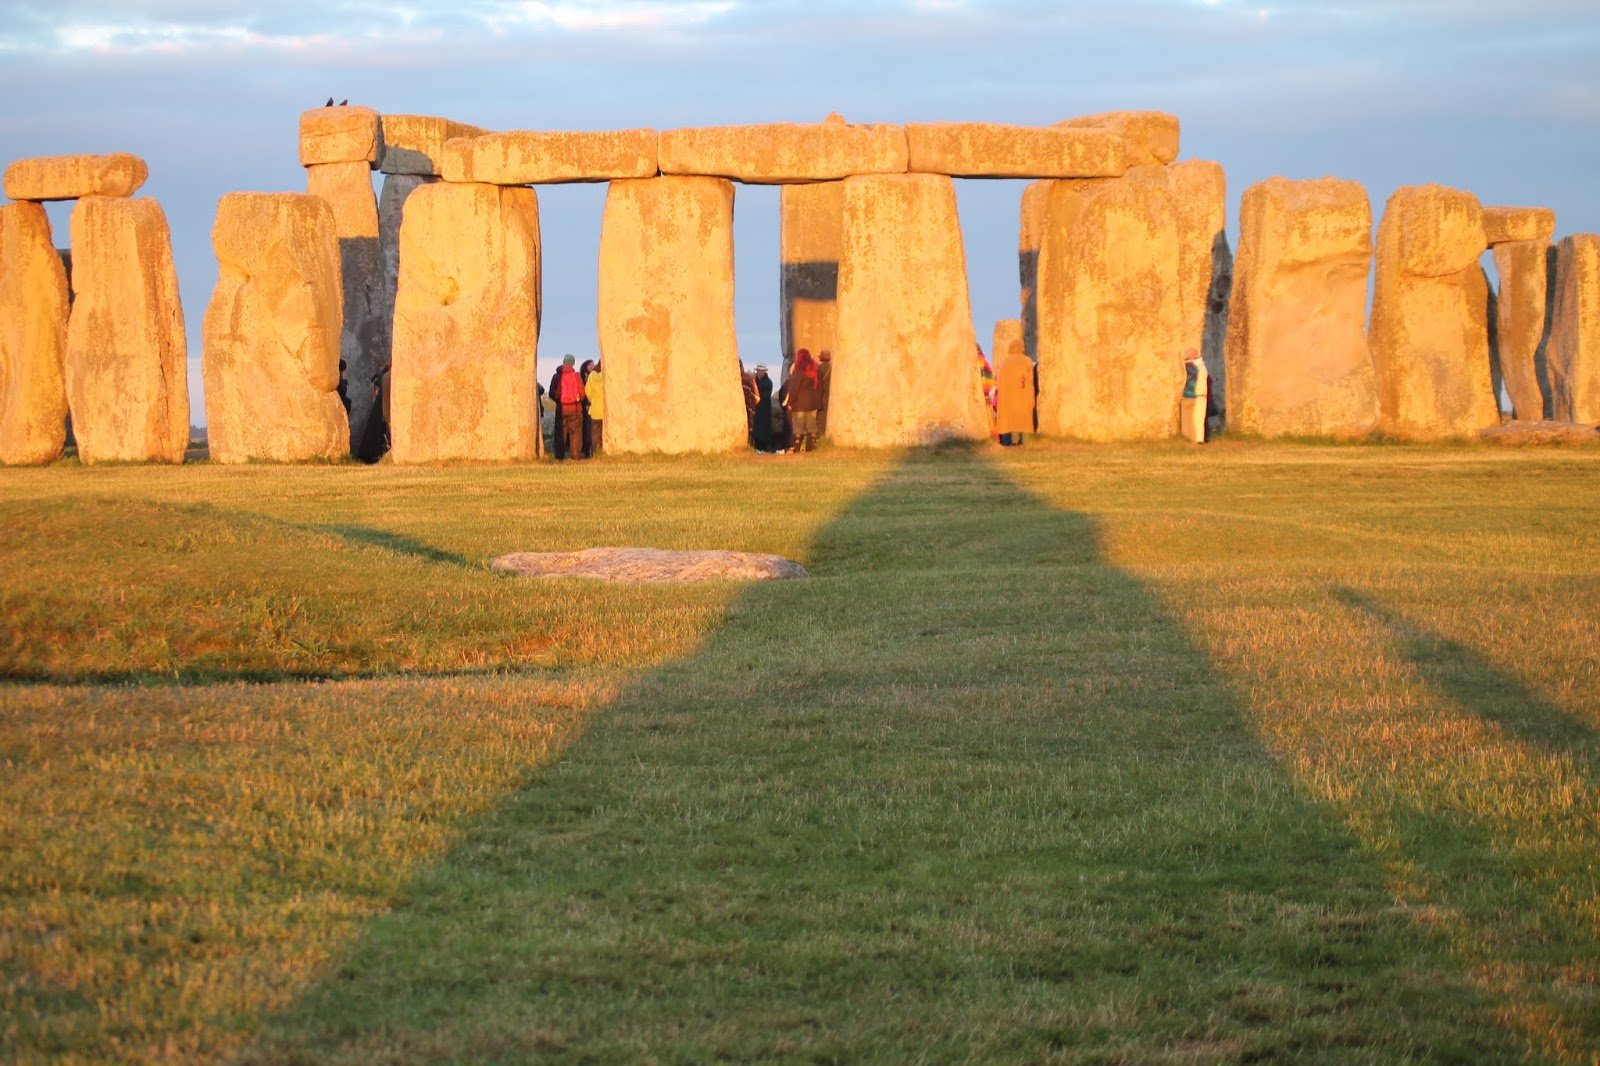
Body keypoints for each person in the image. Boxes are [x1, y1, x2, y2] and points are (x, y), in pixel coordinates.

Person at [995, 338, 1036, 446]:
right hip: (1023, 396)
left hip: (1008, 399)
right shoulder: (1027, 360)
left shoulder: (1005, 361)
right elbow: (1030, 379)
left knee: (1010, 421)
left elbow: (999, 382)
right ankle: (1025, 442)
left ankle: (1010, 442)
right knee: (1024, 420)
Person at [783, 349, 823, 452]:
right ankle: (812, 449)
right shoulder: (816, 370)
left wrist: (790, 401)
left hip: (799, 402)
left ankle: (797, 449)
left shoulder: (799, 370)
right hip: (813, 402)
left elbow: (795, 388)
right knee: (812, 425)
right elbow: (820, 387)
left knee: (798, 426)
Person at [548, 354, 587, 460]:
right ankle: (575, 456)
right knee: (576, 433)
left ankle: (559, 456)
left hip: (561, 409)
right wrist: (578, 399)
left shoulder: (556, 376)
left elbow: (551, 393)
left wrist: (559, 400)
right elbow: (582, 393)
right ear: (573, 363)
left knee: (560, 432)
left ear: (564, 362)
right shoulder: (576, 376)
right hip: (575, 408)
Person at [1180, 347, 1208, 444]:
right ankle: (1196, 439)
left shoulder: (1193, 365)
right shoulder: (1201, 365)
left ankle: (1196, 440)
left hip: (1195, 395)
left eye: (1186, 352)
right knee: (1196, 419)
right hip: (1198, 395)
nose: (1184, 354)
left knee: (1194, 419)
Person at [976, 344, 998, 438]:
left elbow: (983, 375)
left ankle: (991, 435)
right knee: (989, 413)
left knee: (986, 414)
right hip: (986, 390)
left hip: (982, 390)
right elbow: (990, 375)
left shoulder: (979, 360)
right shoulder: (984, 360)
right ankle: (993, 434)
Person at [752, 364, 774, 452]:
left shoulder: (768, 382)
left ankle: (764, 447)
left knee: (764, 428)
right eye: (758, 371)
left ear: (765, 372)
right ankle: (757, 446)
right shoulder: (755, 381)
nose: (759, 372)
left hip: (764, 409)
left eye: (761, 371)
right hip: (756, 409)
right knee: (756, 428)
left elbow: (765, 395)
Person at [586, 361, 605, 457]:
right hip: (606, 410)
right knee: (604, 433)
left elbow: (588, 392)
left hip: (595, 409)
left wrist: (593, 400)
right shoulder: (606, 374)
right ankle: (603, 451)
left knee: (595, 433)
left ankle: (595, 452)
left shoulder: (591, 376)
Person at [579, 359, 596, 457]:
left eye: (593, 364)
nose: (592, 366)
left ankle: (591, 450)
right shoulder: (582, 378)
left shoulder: (595, 377)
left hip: (592, 405)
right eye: (590, 364)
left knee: (591, 428)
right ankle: (586, 451)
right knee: (585, 429)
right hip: (583, 407)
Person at [741, 361, 759, 446]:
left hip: (743, 407)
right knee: (750, 427)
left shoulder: (746, 379)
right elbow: (757, 397)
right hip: (748, 407)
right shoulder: (749, 379)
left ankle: (747, 444)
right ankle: (749, 444)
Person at [815, 349, 833, 437]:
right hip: (830, 395)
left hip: (821, 395)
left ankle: (821, 435)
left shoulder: (818, 368)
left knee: (820, 416)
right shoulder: (832, 368)